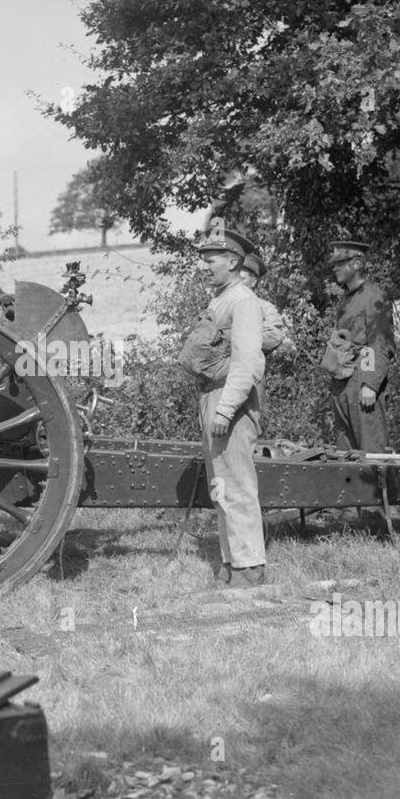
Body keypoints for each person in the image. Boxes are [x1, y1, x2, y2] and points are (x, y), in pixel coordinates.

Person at [177, 226, 267, 586]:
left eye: (210, 261)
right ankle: (232, 563)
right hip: (212, 395)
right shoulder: (222, 298)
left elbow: (248, 364)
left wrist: (226, 410)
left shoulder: (243, 300)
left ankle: (251, 567)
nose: (205, 267)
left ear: (232, 261)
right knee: (222, 487)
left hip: (231, 398)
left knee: (238, 483)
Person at [321, 239, 394, 452]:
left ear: (357, 264)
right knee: (345, 452)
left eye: (340, 262)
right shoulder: (345, 299)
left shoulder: (373, 296)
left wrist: (370, 384)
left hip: (362, 381)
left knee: (371, 450)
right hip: (342, 382)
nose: (334, 267)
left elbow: (380, 344)